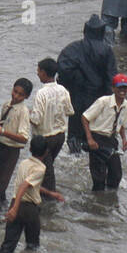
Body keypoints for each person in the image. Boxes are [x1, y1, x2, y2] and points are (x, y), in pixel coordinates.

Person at [56, 14, 117, 153]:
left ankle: (75, 159)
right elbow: (112, 78)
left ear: (85, 31)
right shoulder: (107, 51)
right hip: (99, 101)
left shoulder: (73, 48)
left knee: (75, 136)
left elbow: (62, 69)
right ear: (102, 32)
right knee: (97, 135)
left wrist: (75, 82)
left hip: (77, 99)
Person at [0, 135, 64, 253]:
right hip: (29, 209)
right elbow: (24, 185)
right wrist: (16, 209)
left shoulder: (24, 163)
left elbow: (31, 185)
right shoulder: (41, 168)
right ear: (46, 152)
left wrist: (50, 193)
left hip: (14, 202)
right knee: (32, 246)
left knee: (7, 246)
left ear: (30, 150)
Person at [29, 59, 74, 193]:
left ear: (43, 72)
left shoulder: (41, 93)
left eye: (38, 71)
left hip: (44, 139)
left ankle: (49, 198)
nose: (37, 73)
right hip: (60, 137)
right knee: (47, 167)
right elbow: (70, 111)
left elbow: (36, 120)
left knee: (46, 172)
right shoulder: (63, 90)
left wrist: (27, 114)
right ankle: (44, 193)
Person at [82, 74, 127, 192]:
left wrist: (124, 139)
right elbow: (85, 117)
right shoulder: (103, 102)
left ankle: (109, 200)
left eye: (125, 88)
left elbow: (121, 124)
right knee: (99, 179)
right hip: (97, 138)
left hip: (111, 139)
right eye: (120, 88)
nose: (122, 91)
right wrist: (90, 139)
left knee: (116, 175)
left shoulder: (126, 105)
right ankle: (96, 201)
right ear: (113, 88)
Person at [0, 78, 32, 205]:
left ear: (27, 96)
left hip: (11, 151)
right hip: (0, 146)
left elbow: (24, 138)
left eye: (20, 94)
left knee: (1, 183)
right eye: (15, 91)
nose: (16, 96)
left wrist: (2, 132)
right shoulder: (7, 105)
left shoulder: (23, 112)